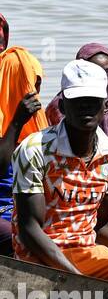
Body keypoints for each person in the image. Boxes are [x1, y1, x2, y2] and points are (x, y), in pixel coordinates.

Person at [12, 59, 108, 290]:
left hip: (88, 255)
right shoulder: (35, 150)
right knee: (87, 294)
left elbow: (102, 225)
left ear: (106, 106)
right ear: (62, 106)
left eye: (92, 101)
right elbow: (29, 229)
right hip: (40, 262)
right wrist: (77, 280)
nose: (85, 107)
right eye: (77, 101)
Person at [45, 43, 108, 229]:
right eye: (98, 72)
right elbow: (72, 171)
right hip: (80, 198)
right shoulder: (60, 110)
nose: (106, 78)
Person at [1, 20, 49, 254]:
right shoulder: (16, 119)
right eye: (24, 82)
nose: (32, 91)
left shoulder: (39, 121)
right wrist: (16, 123)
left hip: (25, 209)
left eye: (36, 84)